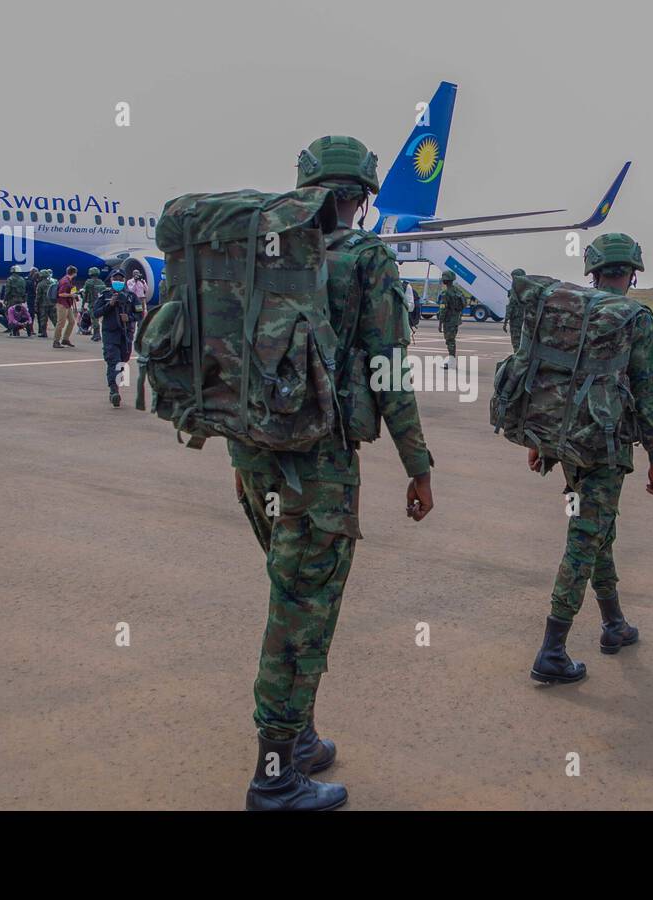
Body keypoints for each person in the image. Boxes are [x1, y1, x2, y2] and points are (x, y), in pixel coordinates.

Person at [230, 135, 433, 811]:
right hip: (319, 462)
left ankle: (302, 736)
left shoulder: (260, 250)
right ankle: (274, 776)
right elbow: (389, 369)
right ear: (358, 197)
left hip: (253, 453)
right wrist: (416, 462)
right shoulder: (365, 256)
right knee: (301, 613)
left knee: (292, 596)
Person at [524, 233, 653, 685]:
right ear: (633, 272)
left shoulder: (570, 309)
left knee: (600, 528)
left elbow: (543, 372)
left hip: (565, 440)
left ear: (593, 271)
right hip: (606, 444)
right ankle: (552, 649)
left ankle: (613, 624)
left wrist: (539, 440)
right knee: (585, 537)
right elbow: (648, 392)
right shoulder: (636, 317)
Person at [92, 269, 135, 407]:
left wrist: (129, 318)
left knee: (123, 360)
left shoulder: (131, 296)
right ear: (111, 280)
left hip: (126, 333)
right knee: (113, 361)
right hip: (110, 333)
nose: (118, 281)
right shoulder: (105, 296)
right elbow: (96, 313)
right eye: (115, 279)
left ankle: (117, 379)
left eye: (121, 279)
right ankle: (114, 391)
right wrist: (109, 305)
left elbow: (139, 314)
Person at [437, 269, 464, 369]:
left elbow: (443, 309)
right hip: (456, 319)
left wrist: (440, 323)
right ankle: (452, 360)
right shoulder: (458, 291)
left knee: (450, 341)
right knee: (452, 340)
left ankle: (452, 362)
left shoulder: (445, 293)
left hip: (448, 321)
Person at [52, 265, 79, 348]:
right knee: (61, 323)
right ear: (74, 273)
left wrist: (74, 293)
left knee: (72, 321)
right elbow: (61, 294)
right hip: (62, 304)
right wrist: (71, 295)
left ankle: (65, 339)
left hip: (67, 304)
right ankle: (56, 341)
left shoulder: (68, 280)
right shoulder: (65, 282)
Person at [504, 267, 527, 350]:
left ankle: (518, 359)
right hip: (527, 321)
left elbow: (510, 306)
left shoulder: (514, 291)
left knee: (516, 343)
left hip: (516, 321)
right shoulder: (529, 290)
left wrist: (506, 321)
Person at [82, 266, 105, 341]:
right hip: (100, 303)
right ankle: (96, 334)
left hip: (92, 303)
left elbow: (85, 294)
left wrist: (83, 304)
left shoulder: (88, 282)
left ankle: (97, 334)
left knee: (94, 318)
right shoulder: (101, 282)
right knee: (97, 318)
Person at [34, 269, 54, 341]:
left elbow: (38, 296)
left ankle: (44, 333)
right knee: (54, 319)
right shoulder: (51, 282)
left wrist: (36, 305)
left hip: (43, 304)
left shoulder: (40, 284)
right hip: (52, 304)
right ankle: (59, 331)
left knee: (43, 319)